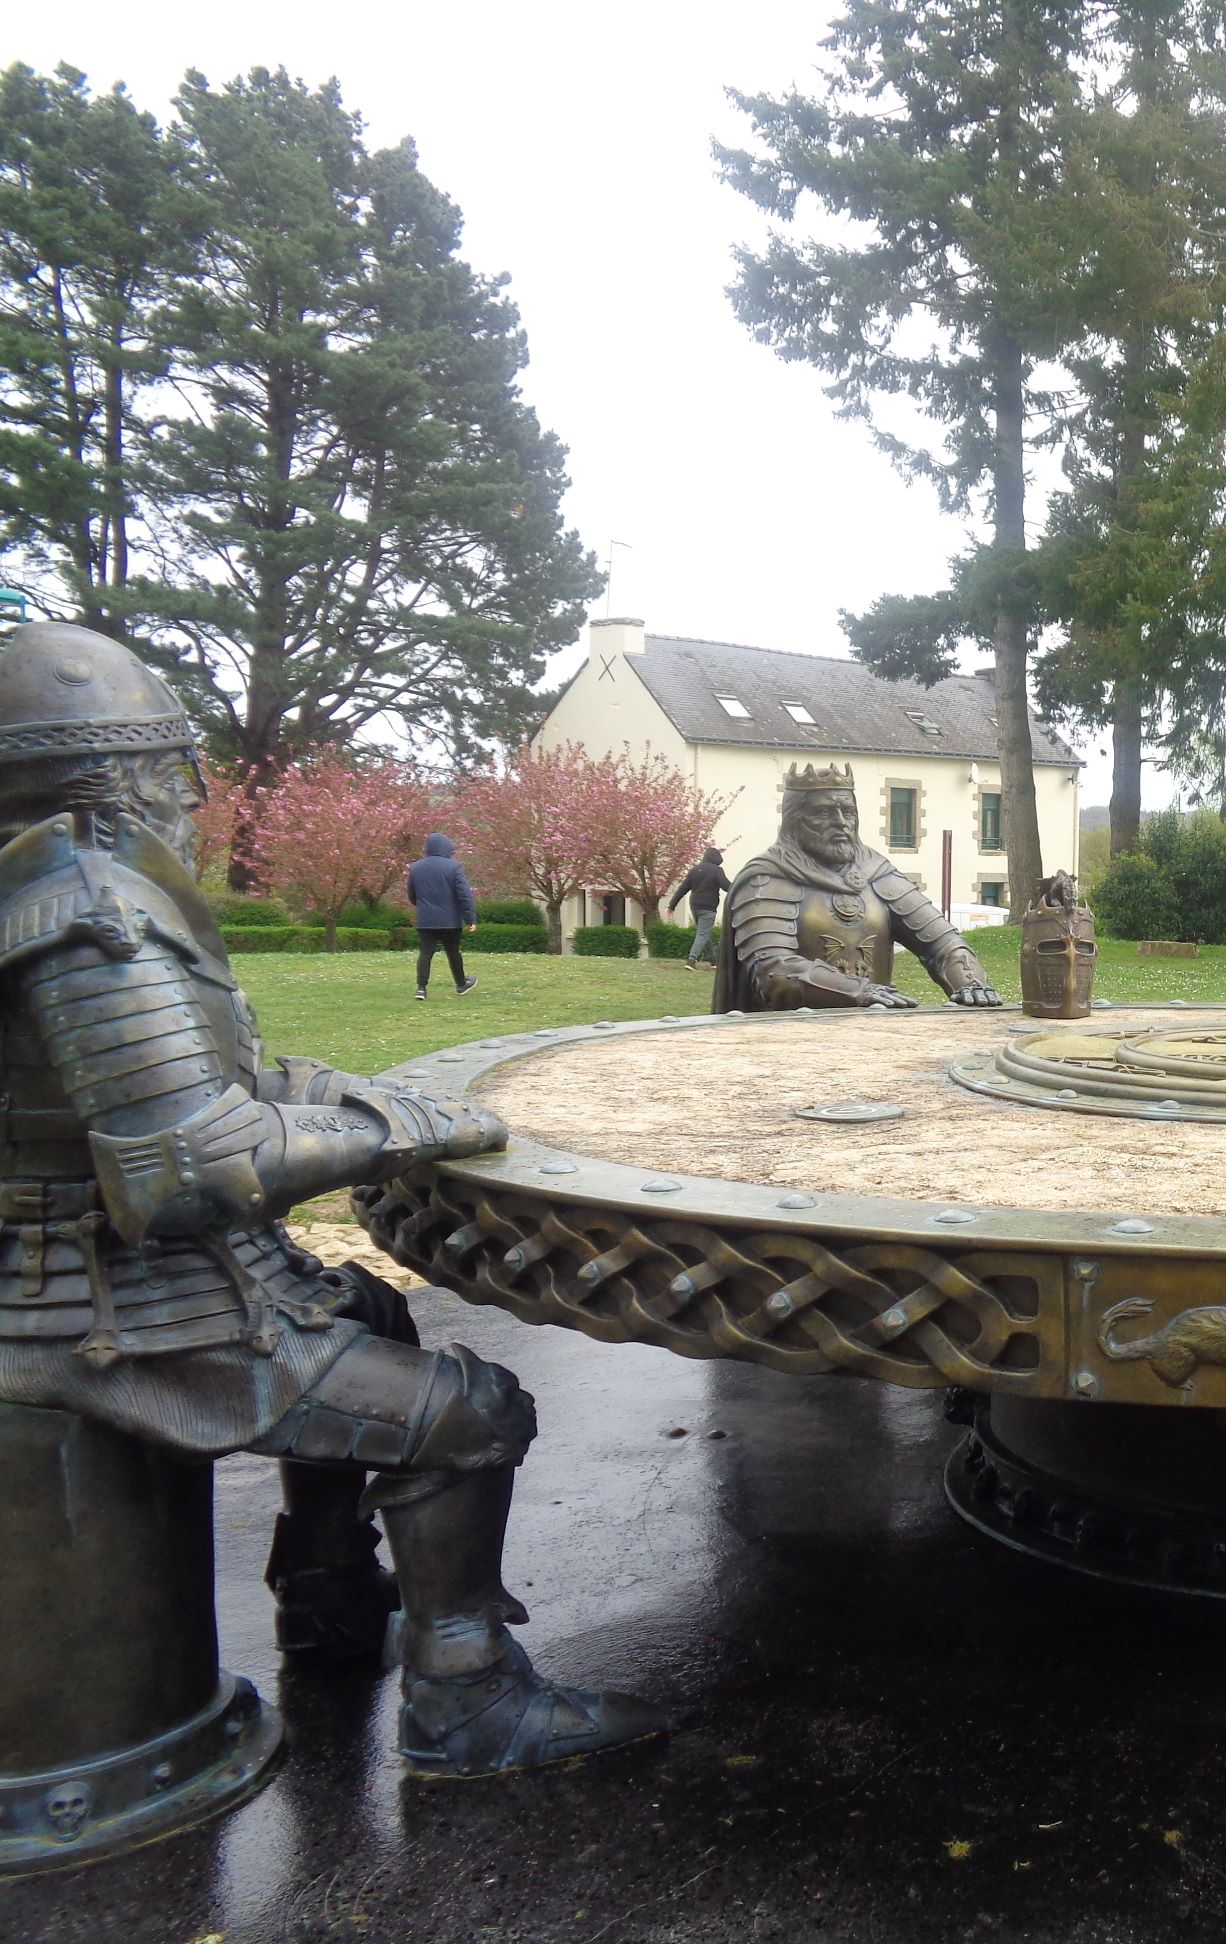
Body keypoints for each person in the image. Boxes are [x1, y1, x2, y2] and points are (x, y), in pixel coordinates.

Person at [0, 622, 661, 1775]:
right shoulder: (95, 915)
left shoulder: (50, 889)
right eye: (175, 778)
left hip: (119, 1272)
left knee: (372, 1311)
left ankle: (328, 1599)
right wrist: (403, 1126)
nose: (193, 807)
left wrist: (333, 1090)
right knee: (471, 1410)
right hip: (105, 1311)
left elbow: (216, 1083)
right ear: (119, 785)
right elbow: (190, 1170)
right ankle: (467, 1703)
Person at [714, 764, 1001, 1011]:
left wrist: (970, 983)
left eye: (847, 812)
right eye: (823, 813)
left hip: (875, 1033)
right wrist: (858, 991)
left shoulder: (876, 874)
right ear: (794, 820)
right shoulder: (767, 880)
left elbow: (944, 943)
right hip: (787, 1038)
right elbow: (776, 972)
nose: (841, 823)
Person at [404, 832, 478, 1001]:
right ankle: (461, 984)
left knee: (425, 953)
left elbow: (412, 894)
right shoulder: (454, 867)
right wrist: (470, 918)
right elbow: (464, 895)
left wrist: (423, 907)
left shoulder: (416, 867)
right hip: (450, 920)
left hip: (426, 919)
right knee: (453, 952)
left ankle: (421, 988)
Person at [667, 845, 729, 968]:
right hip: (708, 906)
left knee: (704, 933)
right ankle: (691, 960)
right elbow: (726, 886)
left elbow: (683, 889)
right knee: (702, 933)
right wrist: (741, 889)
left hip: (695, 906)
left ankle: (713, 960)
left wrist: (672, 905)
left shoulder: (694, 870)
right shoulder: (717, 870)